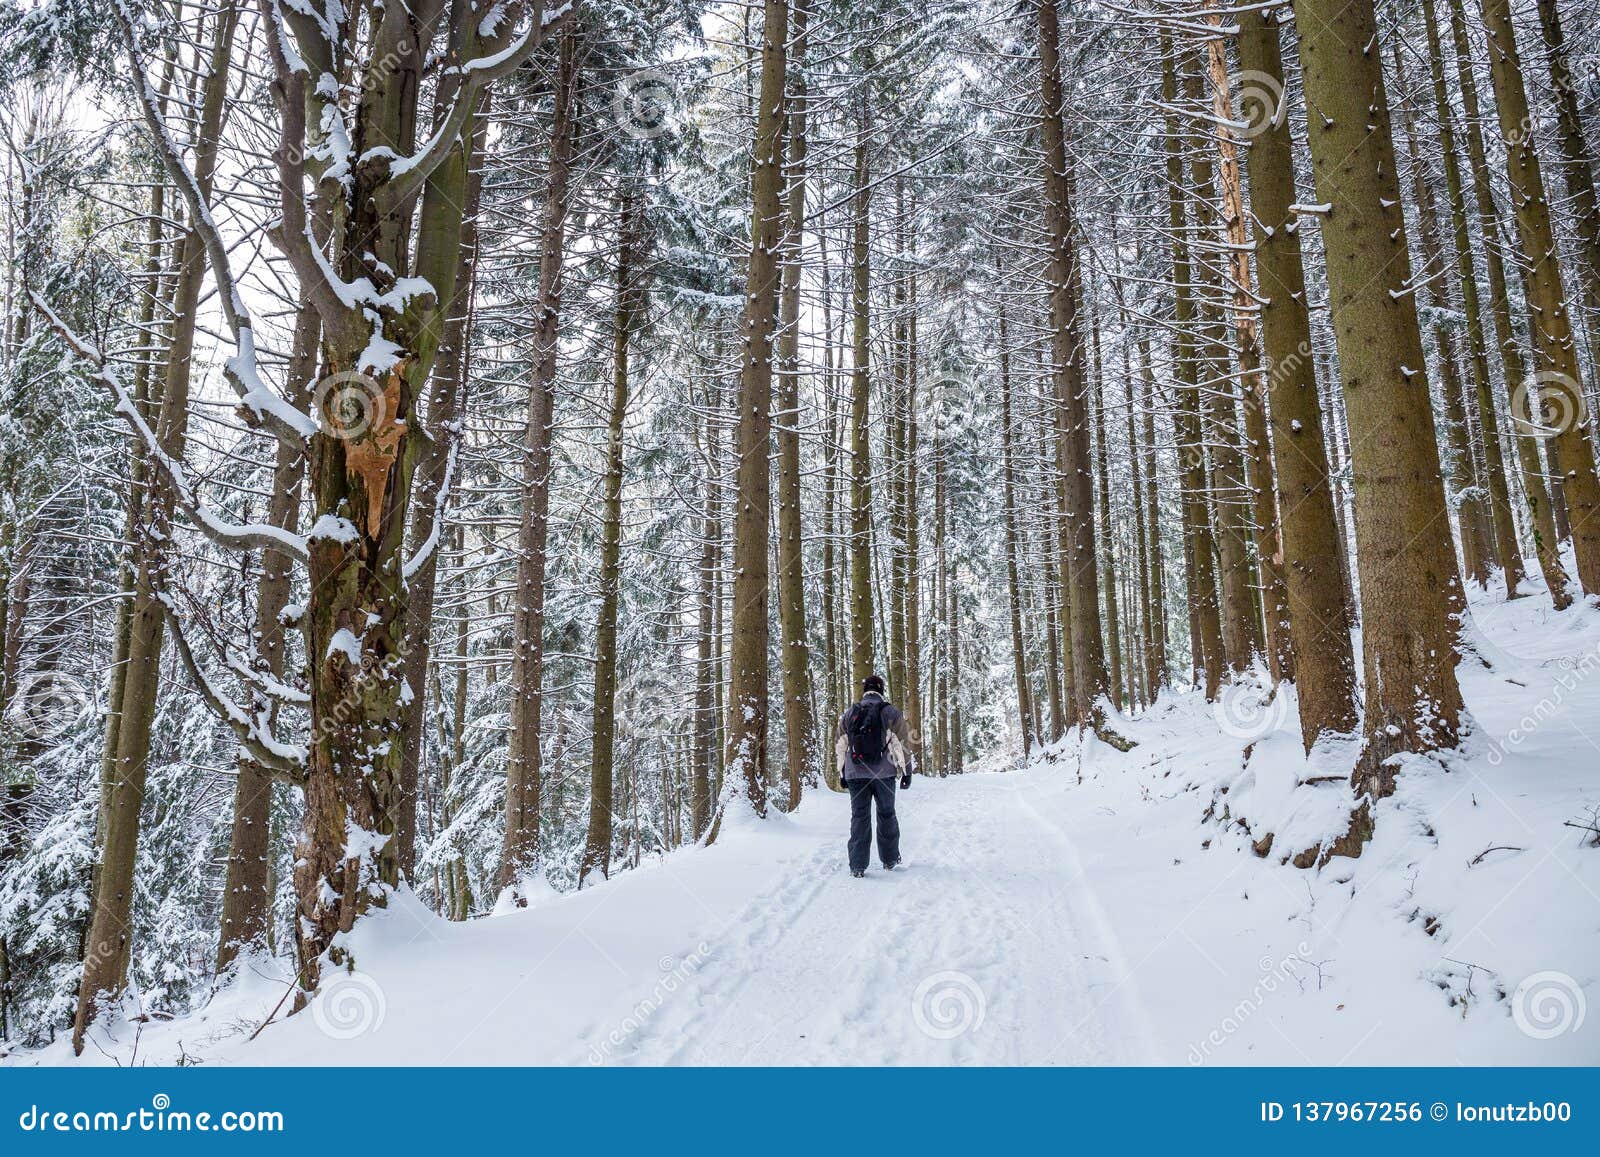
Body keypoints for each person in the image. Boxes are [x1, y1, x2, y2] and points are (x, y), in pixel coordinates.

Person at [836, 674, 915, 877]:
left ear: (865, 691)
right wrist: (907, 771)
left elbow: (840, 746)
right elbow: (903, 745)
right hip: (884, 774)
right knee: (886, 814)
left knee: (859, 817)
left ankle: (858, 866)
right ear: (881, 690)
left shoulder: (850, 713)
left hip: (855, 774)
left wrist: (842, 772)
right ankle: (889, 860)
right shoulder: (890, 713)